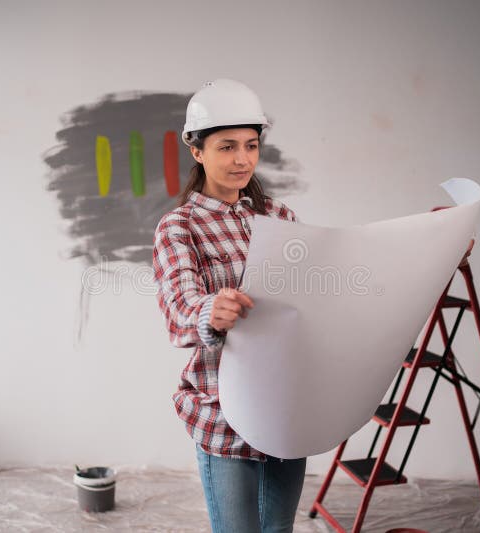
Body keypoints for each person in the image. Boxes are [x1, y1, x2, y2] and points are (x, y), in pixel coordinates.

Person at [152, 79, 306, 533]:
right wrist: (208, 312)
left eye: (251, 145)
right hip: (224, 412)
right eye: (227, 147)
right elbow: (180, 310)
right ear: (196, 150)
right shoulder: (179, 227)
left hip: (285, 406)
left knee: (278, 531)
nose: (242, 159)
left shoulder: (279, 218)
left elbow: (318, 291)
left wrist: (432, 250)